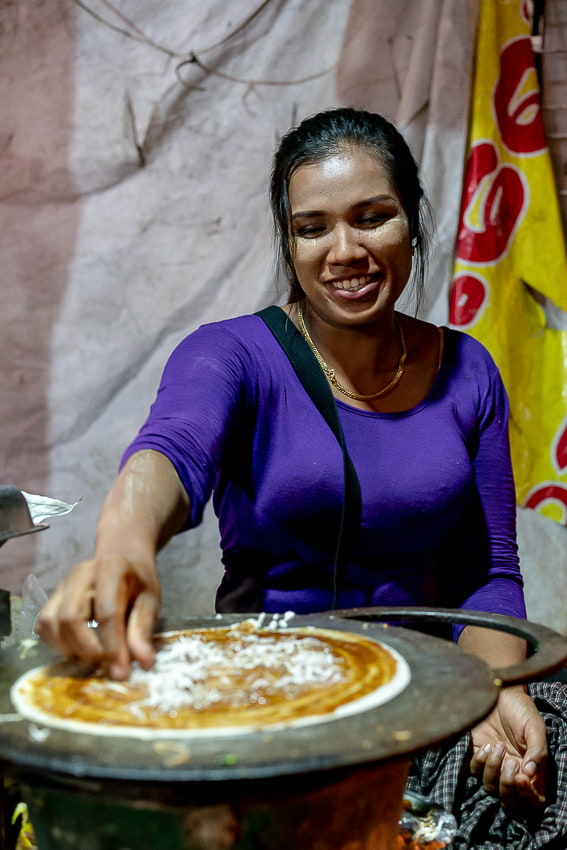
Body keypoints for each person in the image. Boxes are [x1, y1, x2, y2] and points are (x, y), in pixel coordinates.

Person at [38, 107, 548, 818]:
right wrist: (121, 547)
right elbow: (170, 454)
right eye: (312, 228)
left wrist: (501, 691)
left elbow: (486, 572)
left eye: (372, 217)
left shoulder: (468, 371)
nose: (344, 250)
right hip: (275, 700)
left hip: (431, 699)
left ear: (413, 220)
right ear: (288, 240)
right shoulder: (232, 355)